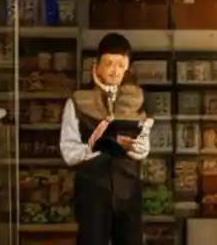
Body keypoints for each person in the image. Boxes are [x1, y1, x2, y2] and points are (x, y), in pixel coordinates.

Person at [59, 32, 152, 245]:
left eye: (120, 64)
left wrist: (134, 146)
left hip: (128, 192)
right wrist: (98, 146)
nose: (114, 70)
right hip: (92, 192)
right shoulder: (78, 101)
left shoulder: (137, 99)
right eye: (109, 63)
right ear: (97, 65)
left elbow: (145, 146)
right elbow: (69, 151)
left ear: (127, 66)